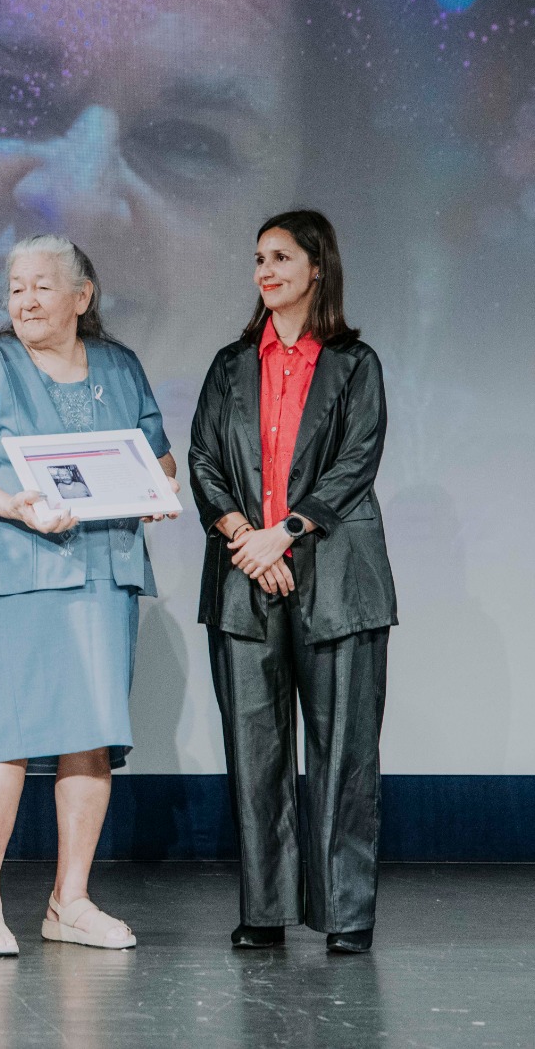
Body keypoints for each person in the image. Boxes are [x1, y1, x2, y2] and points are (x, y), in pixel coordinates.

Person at [0, 234, 178, 956]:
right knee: (6, 733)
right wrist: (15, 506)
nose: (26, 300)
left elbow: (156, 452)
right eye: (15, 287)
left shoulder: (119, 366)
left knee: (90, 739)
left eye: (42, 285)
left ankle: (69, 901)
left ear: (82, 296)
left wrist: (158, 487)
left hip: (106, 569)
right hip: (20, 569)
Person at [187, 209, 397, 954]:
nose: (265, 271)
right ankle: (265, 909)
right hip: (248, 575)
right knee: (256, 752)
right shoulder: (229, 365)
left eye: (280, 258)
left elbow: (354, 463)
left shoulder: (355, 364)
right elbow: (205, 464)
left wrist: (288, 530)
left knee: (343, 753)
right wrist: (249, 538)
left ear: (316, 267)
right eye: (258, 259)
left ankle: (346, 914)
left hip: (336, 580)